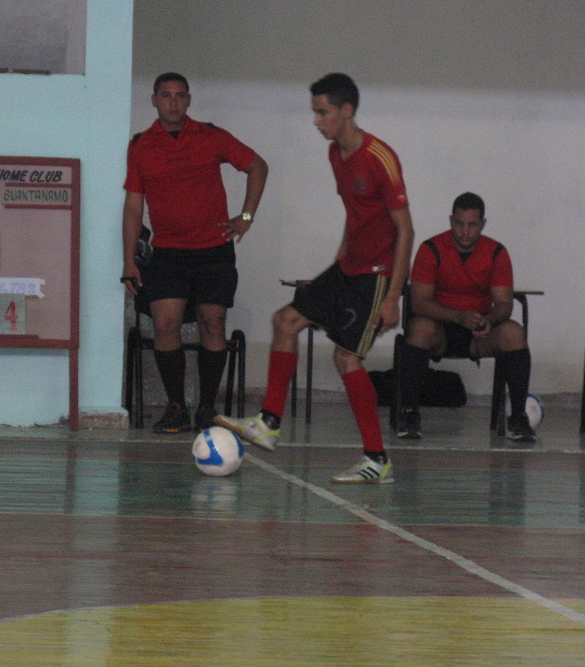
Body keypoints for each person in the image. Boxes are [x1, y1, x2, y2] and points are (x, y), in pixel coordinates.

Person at [215, 72, 413, 484]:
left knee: (346, 358)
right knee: (284, 321)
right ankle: (269, 422)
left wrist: (393, 296)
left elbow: (405, 230)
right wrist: (339, 258)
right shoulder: (335, 155)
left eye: (323, 113)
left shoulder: (380, 157)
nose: (317, 121)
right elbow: (357, 216)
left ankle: (377, 459)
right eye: (314, 113)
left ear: (347, 111)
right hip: (347, 268)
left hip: (376, 277)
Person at [123, 72, 268, 434]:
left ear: (189, 101)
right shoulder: (141, 145)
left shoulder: (210, 136)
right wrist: (128, 260)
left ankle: (206, 407)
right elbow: (132, 207)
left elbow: (257, 166)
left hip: (214, 252)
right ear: (154, 100)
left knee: (213, 325)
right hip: (168, 253)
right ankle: (176, 406)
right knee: (165, 324)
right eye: (166, 95)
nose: (173, 102)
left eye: (180, 95)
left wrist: (246, 216)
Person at [396, 192, 536, 442]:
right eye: (459, 224)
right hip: (440, 328)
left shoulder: (496, 252)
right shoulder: (431, 249)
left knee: (514, 333)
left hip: (480, 332)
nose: (464, 232)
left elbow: (504, 304)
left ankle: (518, 418)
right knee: (419, 329)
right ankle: (408, 413)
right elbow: (418, 303)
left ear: (483, 224)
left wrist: (488, 321)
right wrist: (458, 317)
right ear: (451, 220)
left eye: (472, 225)